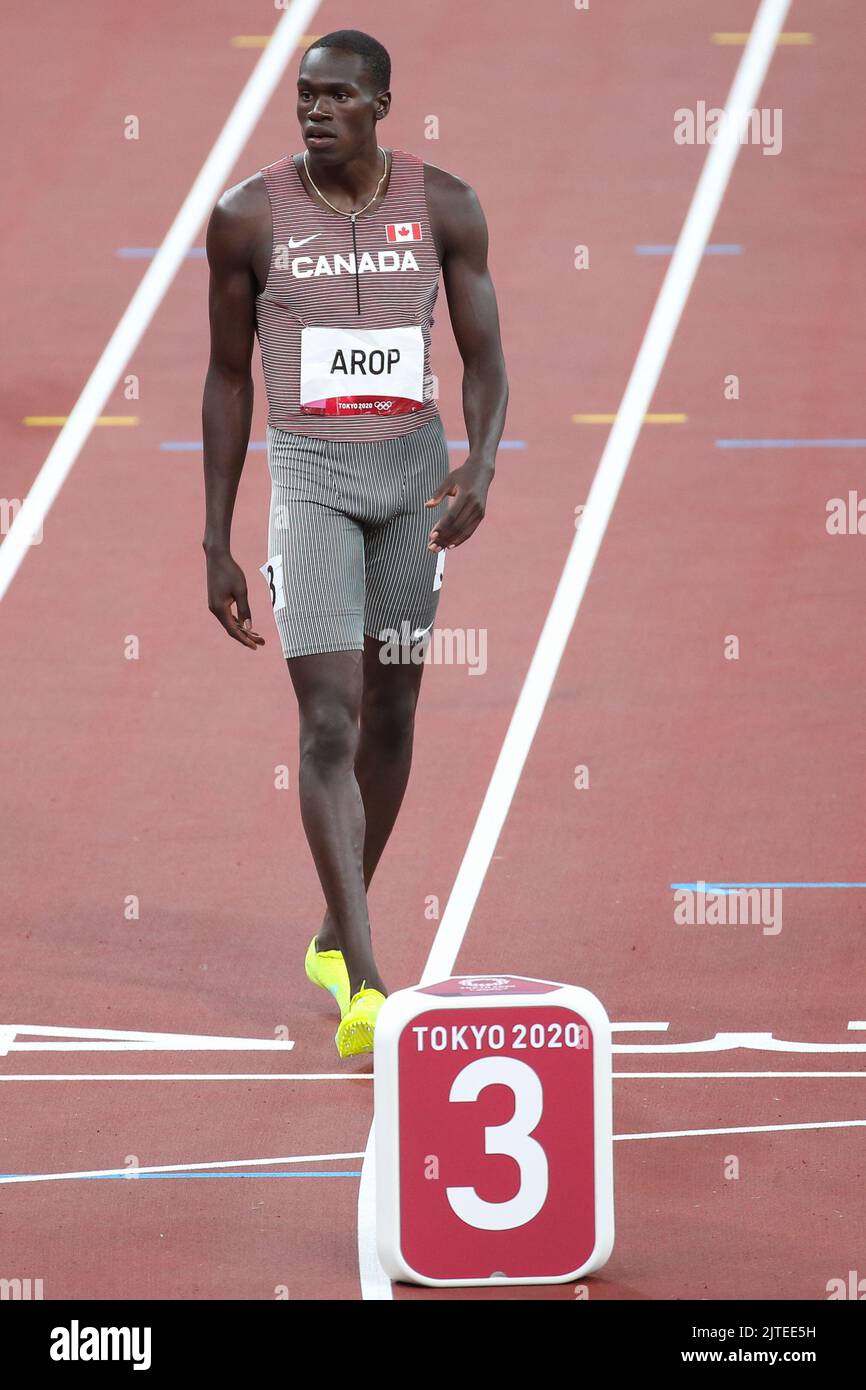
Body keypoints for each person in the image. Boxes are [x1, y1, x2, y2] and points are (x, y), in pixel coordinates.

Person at [201, 29, 508, 1056]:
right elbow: (228, 379)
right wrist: (215, 537)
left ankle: (335, 929)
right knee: (329, 719)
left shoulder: (446, 206)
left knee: (394, 710)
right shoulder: (246, 216)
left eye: (336, 96)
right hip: (313, 482)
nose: (314, 111)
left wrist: (480, 462)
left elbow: (485, 359)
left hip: (413, 485)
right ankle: (368, 981)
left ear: (380, 103)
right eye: (303, 95)